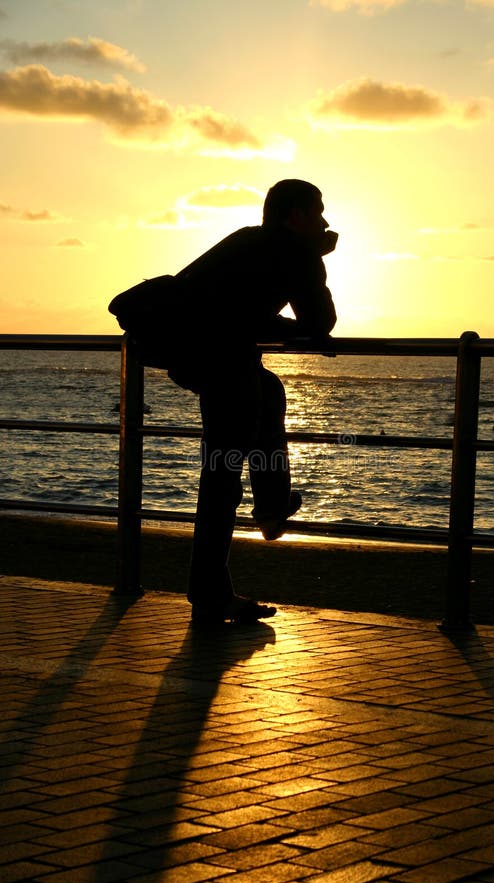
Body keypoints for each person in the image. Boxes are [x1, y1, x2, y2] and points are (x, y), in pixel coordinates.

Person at [172, 179, 338, 626]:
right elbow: (321, 320)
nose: (324, 221)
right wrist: (314, 258)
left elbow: (225, 301)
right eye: (317, 212)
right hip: (225, 365)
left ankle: (271, 507)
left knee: (270, 393)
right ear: (297, 214)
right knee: (221, 481)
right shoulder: (291, 250)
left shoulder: (246, 240)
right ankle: (213, 590)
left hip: (208, 360)